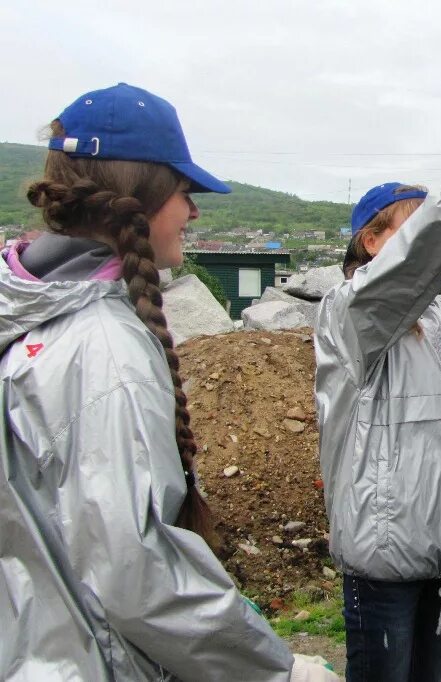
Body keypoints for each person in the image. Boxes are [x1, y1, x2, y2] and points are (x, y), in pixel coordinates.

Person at [0, 84, 336, 681]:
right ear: (141, 196)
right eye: (185, 192)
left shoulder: (28, 315)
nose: (194, 212)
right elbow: (137, 573)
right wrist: (277, 670)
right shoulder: (104, 351)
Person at [314, 78, 441, 682]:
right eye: (407, 231)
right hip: (383, 570)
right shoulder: (347, 316)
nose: (421, 248)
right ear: (369, 242)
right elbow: (406, 275)